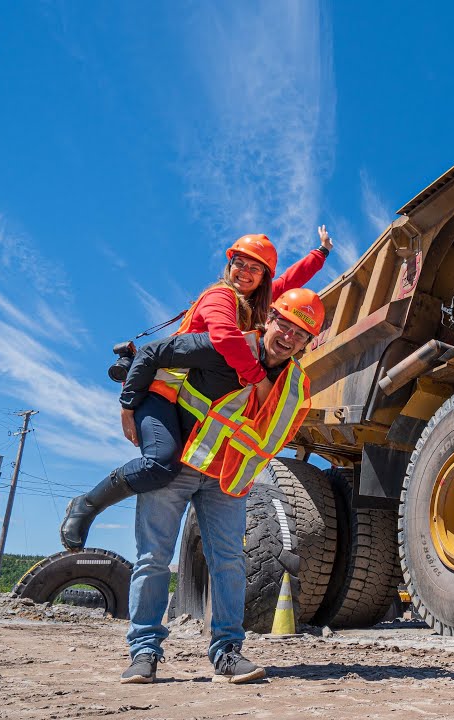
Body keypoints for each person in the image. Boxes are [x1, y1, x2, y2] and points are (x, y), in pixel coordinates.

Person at [59, 228, 332, 550]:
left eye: (255, 269)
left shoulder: (255, 305)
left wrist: (321, 253)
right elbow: (226, 338)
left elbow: (288, 282)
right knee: (161, 465)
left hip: (189, 398)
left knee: (180, 468)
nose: (245, 273)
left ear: (263, 277)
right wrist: (258, 378)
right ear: (229, 265)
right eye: (239, 264)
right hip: (163, 388)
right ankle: (86, 505)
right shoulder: (221, 297)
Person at [116, 288, 325, 684]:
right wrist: (133, 408)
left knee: (230, 564)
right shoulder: (226, 345)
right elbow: (157, 357)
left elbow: (271, 438)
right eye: (285, 323)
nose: (288, 337)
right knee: (152, 558)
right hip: (177, 463)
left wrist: (247, 473)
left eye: (300, 334)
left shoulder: (297, 387)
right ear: (270, 319)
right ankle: (144, 652)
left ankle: (228, 653)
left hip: (227, 480)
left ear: (307, 343)